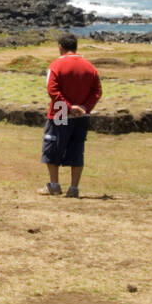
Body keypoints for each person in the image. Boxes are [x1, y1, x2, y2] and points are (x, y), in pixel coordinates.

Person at [40, 32, 102, 198]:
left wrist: (67, 106)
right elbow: (97, 91)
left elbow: (52, 90)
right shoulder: (90, 67)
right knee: (77, 148)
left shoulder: (56, 66)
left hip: (60, 112)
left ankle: (54, 184)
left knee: (53, 145)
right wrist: (84, 107)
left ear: (60, 47)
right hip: (82, 114)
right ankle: (74, 188)